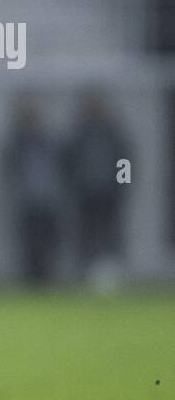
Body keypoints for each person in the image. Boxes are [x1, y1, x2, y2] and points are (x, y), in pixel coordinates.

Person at [63, 90, 130, 289]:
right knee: (87, 233)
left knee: (110, 232)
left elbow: (124, 159)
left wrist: (121, 185)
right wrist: (74, 185)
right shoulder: (79, 133)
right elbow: (69, 162)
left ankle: (113, 273)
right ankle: (86, 273)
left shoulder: (112, 133)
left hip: (109, 192)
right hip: (85, 192)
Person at [0, 97, 64, 285]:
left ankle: (48, 276)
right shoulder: (19, 143)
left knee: (50, 240)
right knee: (29, 241)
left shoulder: (49, 141)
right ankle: (31, 278)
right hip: (28, 200)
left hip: (49, 199)